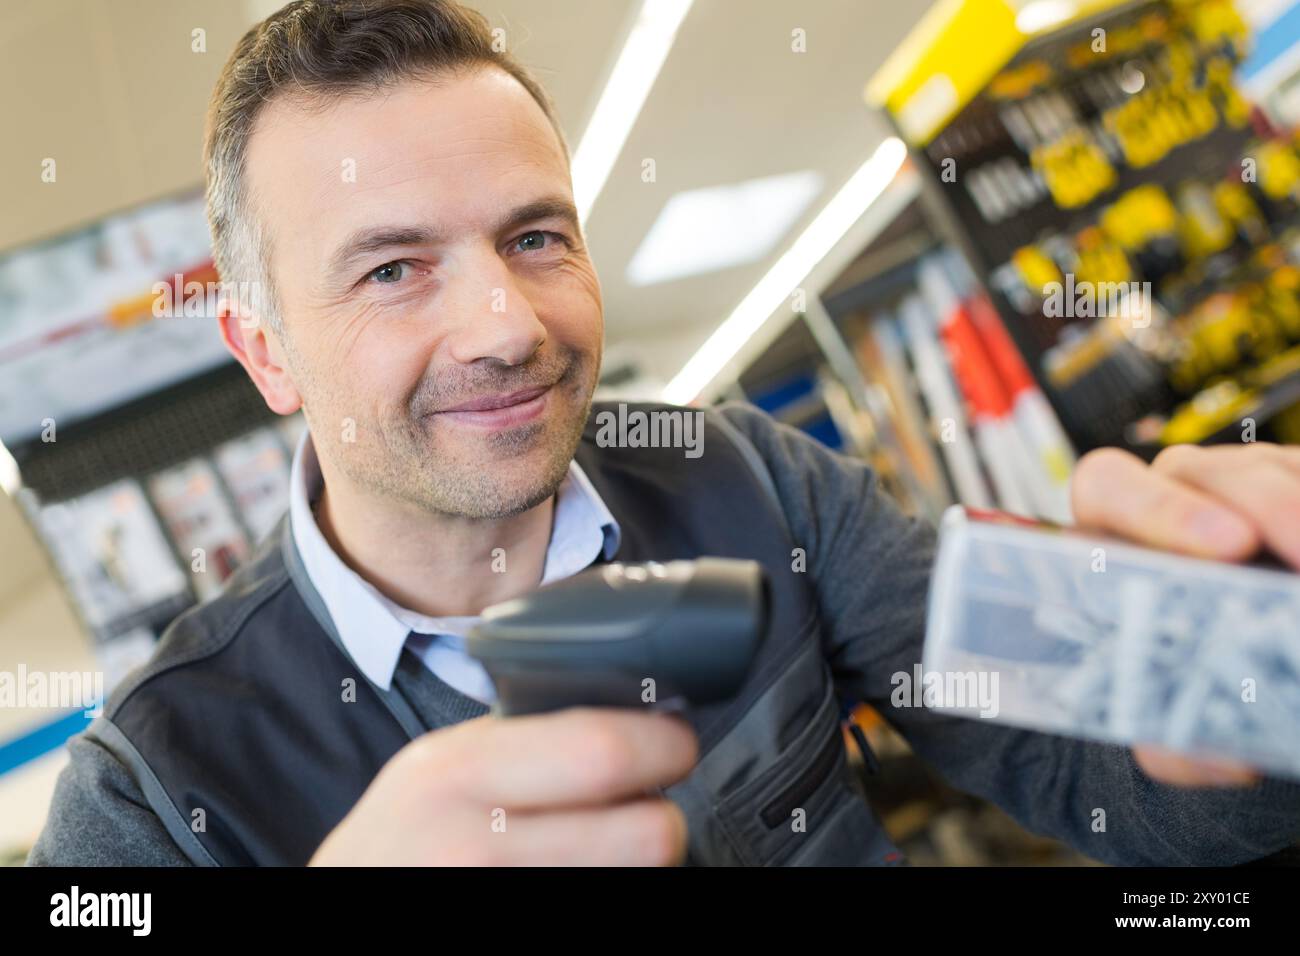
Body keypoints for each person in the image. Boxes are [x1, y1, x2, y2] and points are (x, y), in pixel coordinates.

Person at [28, 0, 1300, 866]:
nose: (503, 325)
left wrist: (1256, 693)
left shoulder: (761, 484)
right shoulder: (149, 790)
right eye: (390, 271)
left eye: (533, 238)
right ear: (264, 354)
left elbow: (1096, 771)